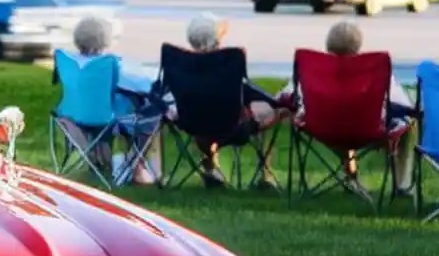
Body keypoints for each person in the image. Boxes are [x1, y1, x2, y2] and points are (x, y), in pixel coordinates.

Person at [276, 19, 416, 197]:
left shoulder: (313, 68)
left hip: (322, 128)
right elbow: (405, 106)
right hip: (367, 130)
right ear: (358, 45)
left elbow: (285, 97)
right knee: (407, 125)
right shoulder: (372, 68)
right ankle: (402, 185)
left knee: (338, 116)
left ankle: (351, 177)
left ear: (327, 44)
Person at [173, 12, 286, 189]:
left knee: (202, 117)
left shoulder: (181, 65)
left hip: (193, 125)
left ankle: (211, 166)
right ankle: (265, 173)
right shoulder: (228, 63)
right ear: (217, 39)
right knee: (271, 110)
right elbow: (249, 91)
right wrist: (277, 102)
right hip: (234, 128)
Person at [61, 14, 175, 185]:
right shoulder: (111, 64)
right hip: (108, 119)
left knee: (124, 104)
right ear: (105, 39)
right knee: (149, 111)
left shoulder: (67, 61)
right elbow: (146, 85)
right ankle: (143, 168)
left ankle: (115, 165)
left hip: (73, 118)